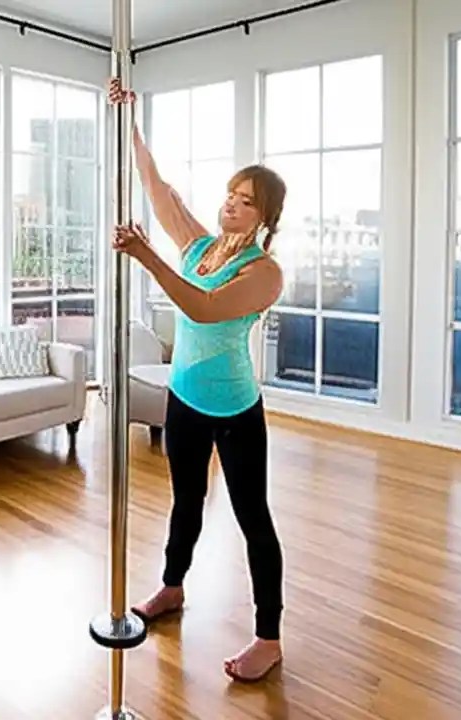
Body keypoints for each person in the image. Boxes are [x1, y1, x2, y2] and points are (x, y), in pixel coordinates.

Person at [107, 78, 288, 683]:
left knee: (251, 516)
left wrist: (147, 256)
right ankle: (172, 586)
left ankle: (268, 637)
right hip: (182, 399)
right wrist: (127, 117)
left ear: (266, 217)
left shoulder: (264, 272)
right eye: (230, 194)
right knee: (185, 502)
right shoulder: (201, 246)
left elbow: (203, 311)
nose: (230, 204)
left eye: (245, 200)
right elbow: (159, 191)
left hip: (234, 410)